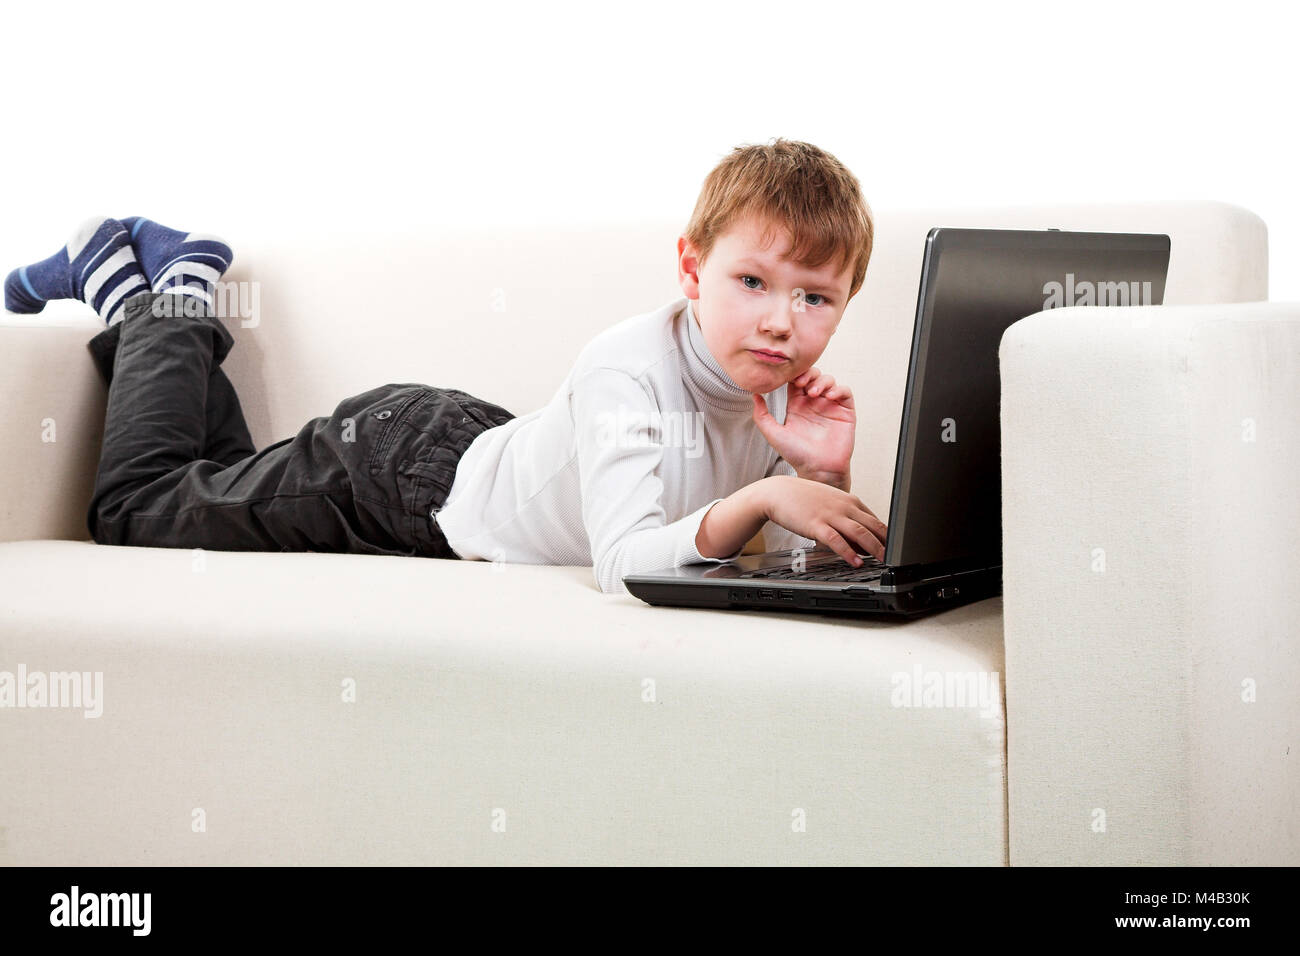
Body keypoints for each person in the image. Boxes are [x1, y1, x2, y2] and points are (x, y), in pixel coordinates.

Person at [3, 137, 887, 594]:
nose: (780, 321)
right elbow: (625, 562)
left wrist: (819, 473)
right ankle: (163, 295)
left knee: (217, 485)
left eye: (815, 298)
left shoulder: (773, 397)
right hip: (392, 480)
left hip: (462, 445)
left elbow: (754, 568)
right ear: (692, 269)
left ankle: (152, 277)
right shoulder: (629, 368)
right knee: (136, 512)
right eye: (751, 281)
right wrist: (765, 497)